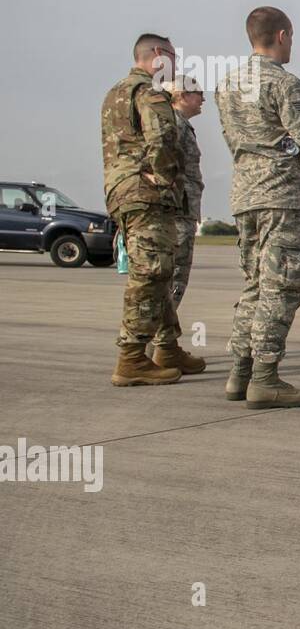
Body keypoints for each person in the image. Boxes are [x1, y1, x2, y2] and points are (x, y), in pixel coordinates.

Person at [216, 6, 300, 407]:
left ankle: (240, 373)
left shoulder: (228, 84)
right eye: (292, 37)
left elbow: (236, 139)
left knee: (254, 285)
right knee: (281, 286)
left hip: (245, 196)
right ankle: (265, 377)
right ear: (282, 36)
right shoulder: (284, 83)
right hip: (282, 196)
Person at [101, 33, 188, 386]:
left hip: (122, 191)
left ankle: (167, 347)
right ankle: (131, 356)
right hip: (146, 194)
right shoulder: (149, 92)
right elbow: (163, 137)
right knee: (151, 272)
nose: (177, 64)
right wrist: (165, 177)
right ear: (156, 54)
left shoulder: (114, 93)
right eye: (172, 56)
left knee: (160, 270)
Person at [151, 71, 207, 367]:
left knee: (167, 280)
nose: (203, 99)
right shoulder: (176, 126)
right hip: (178, 214)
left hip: (178, 212)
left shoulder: (176, 125)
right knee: (175, 280)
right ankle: (164, 348)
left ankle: (156, 346)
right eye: (198, 93)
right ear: (181, 96)